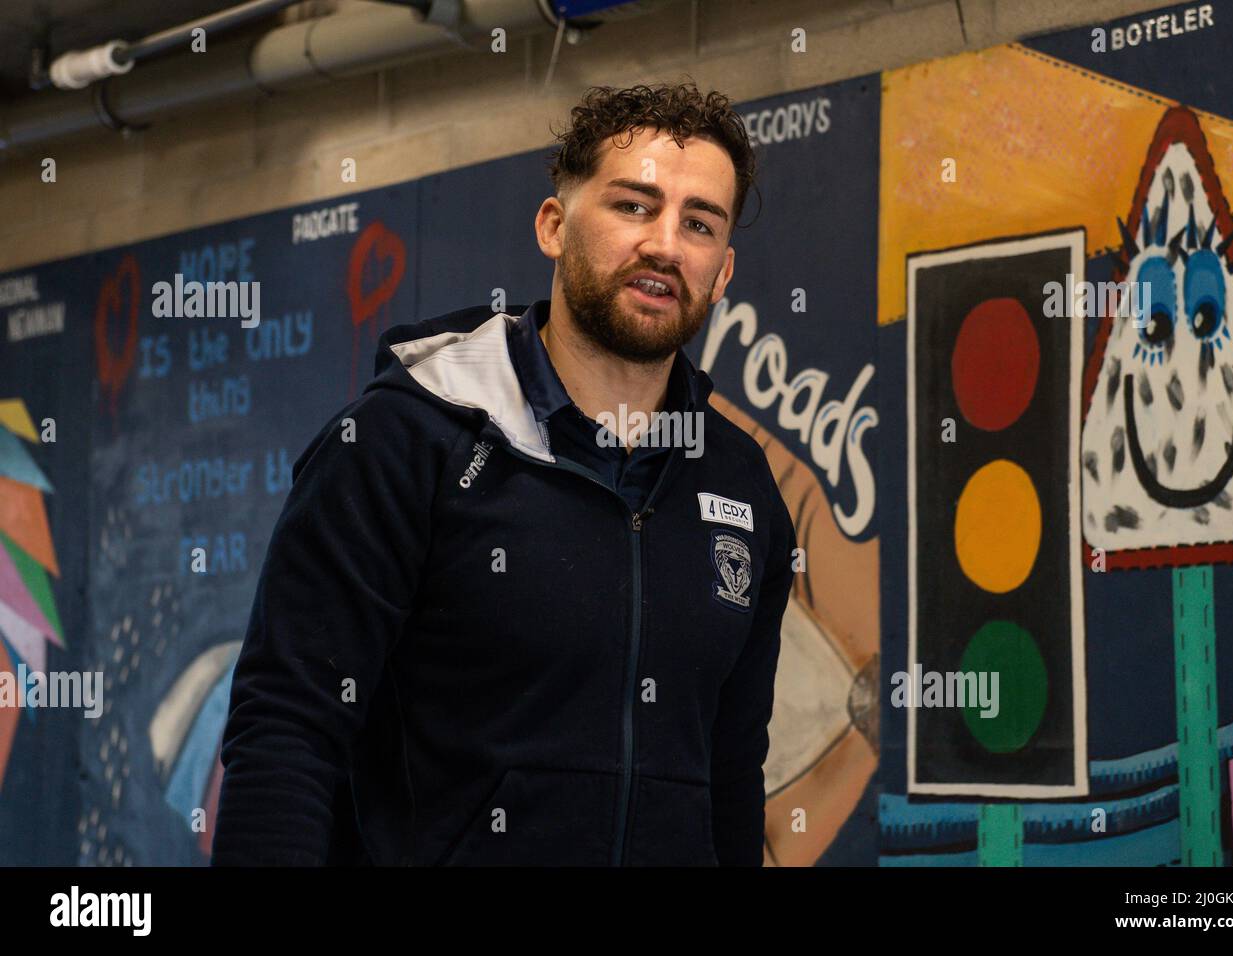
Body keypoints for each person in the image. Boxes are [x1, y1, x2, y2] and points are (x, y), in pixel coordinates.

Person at [211, 81, 796, 866]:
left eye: (698, 224)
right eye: (633, 206)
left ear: (722, 272)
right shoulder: (405, 437)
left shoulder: (743, 487)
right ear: (554, 226)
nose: (664, 244)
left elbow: (730, 773)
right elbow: (287, 726)